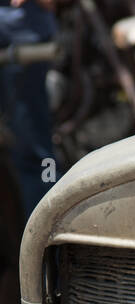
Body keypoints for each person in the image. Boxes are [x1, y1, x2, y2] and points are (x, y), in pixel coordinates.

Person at [0, 0, 56, 221]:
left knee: (38, 154)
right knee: (40, 156)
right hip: (19, 36)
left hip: (22, 39)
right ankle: (52, 231)